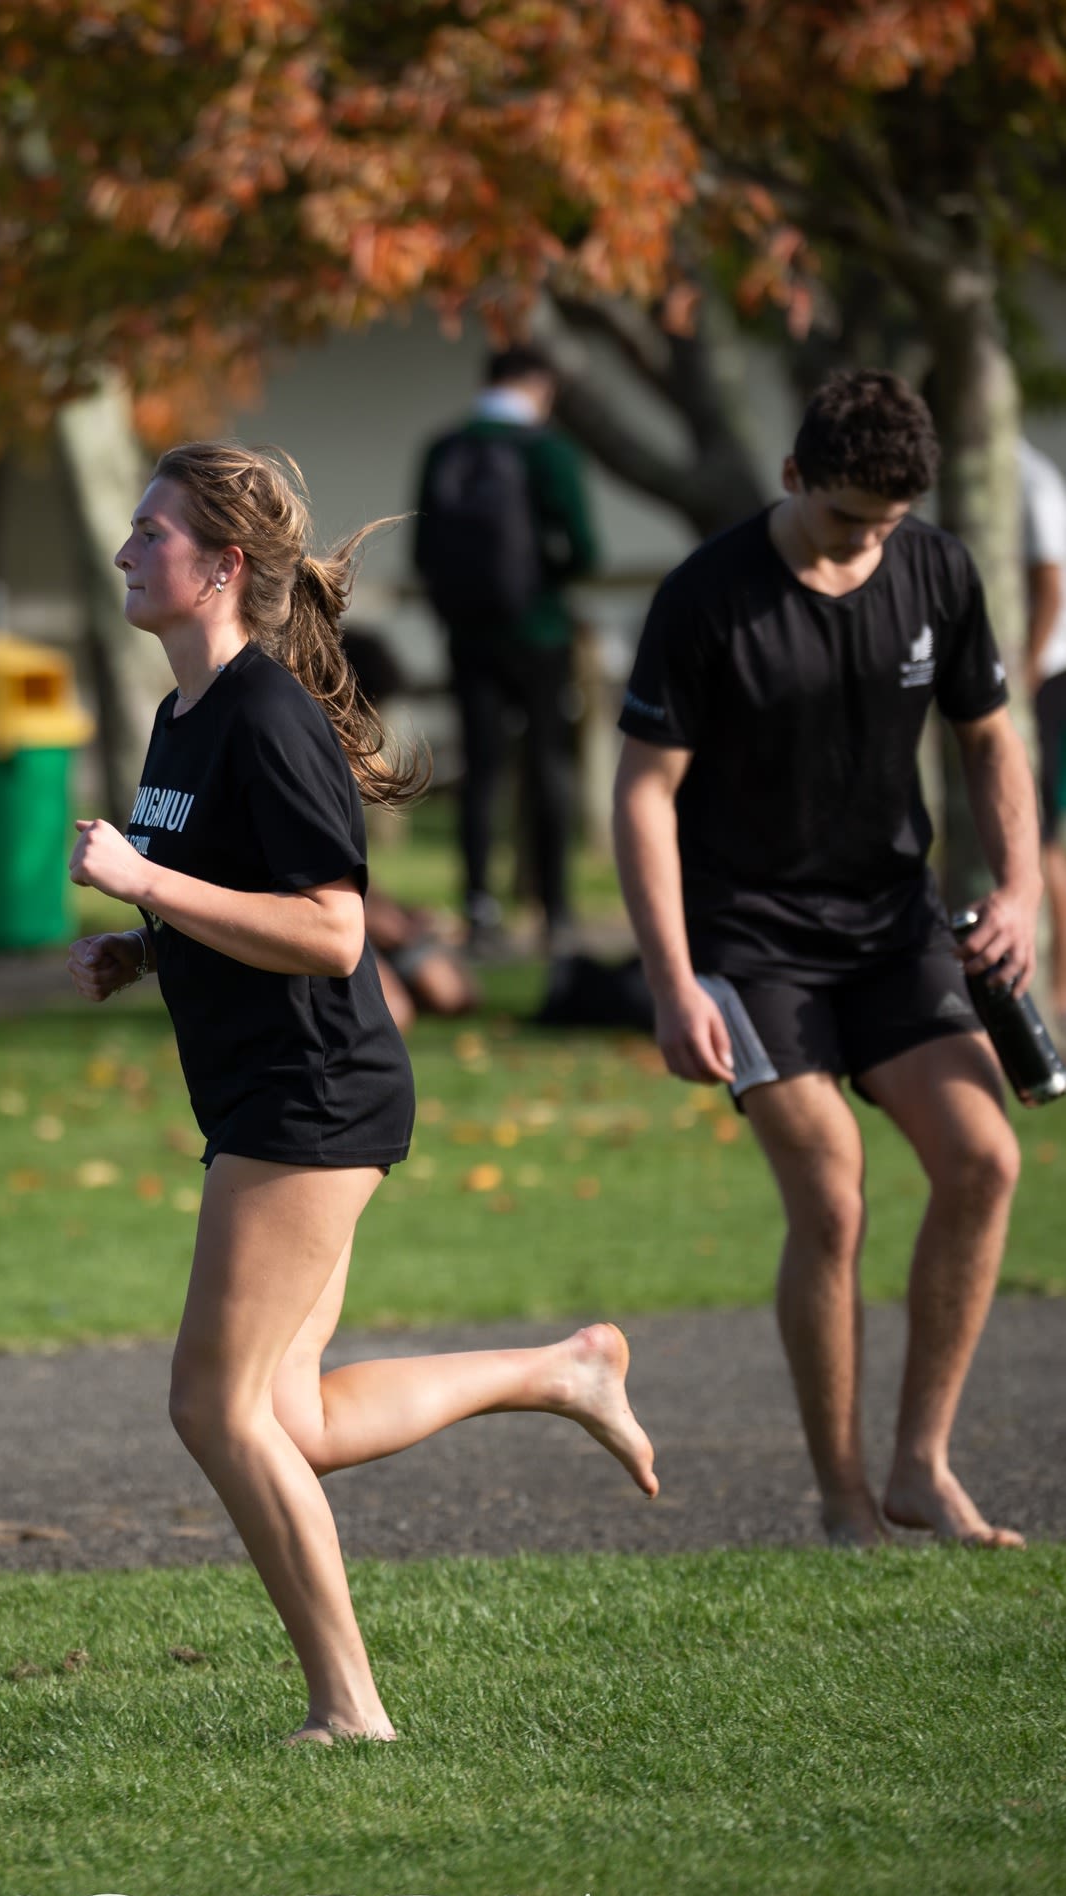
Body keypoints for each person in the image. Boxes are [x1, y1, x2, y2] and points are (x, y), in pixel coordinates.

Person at [67, 442, 657, 1746]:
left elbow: (334, 932)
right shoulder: (186, 716)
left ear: (219, 566)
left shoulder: (267, 715)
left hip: (308, 1096)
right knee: (293, 1418)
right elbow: (248, 892)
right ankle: (561, 1374)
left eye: (148, 532)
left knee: (211, 1406)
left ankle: (349, 1711)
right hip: (276, 1093)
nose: (124, 551)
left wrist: (147, 887)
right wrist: (147, 950)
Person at [613, 368, 1040, 1550]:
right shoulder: (706, 597)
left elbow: (987, 738)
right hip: (749, 941)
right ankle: (843, 1499)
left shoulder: (936, 571)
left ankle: (919, 1465)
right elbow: (643, 795)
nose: (864, 543)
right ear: (791, 476)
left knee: (983, 1159)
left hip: (891, 923)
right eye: (845, 515)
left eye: (885, 524)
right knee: (832, 1192)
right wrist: (668, 978)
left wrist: (1017, 888)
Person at [415, 344, 597, 954]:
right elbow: (586, 550)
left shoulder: (444, 450)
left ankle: (478, 906)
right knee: (546, 764)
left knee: (480, 769)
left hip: (467, 634)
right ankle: (556, 909)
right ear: (539, 386)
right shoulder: (547, 452)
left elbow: (422, 553)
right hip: (539, 630)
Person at [1020, 436, 1066, 1019]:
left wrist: (1024, 676)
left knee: (1044, 840)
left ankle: (1059, 990)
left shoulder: (1022, 478)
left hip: (1051, 676)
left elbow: (1052, 583)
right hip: (1044, 674)